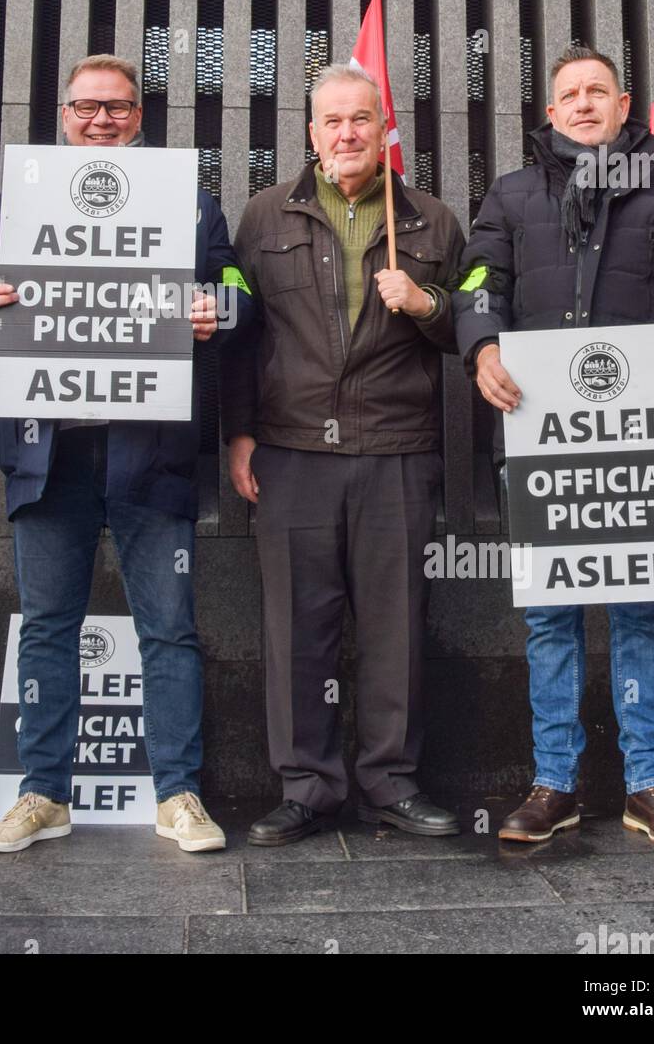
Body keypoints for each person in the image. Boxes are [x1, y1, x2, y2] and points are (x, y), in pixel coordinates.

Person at [0, 54, 250, 855]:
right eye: (87, 107)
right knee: (49, 628)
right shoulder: (15, 205)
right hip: (46, 455)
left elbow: (238, 292)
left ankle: (178, 795)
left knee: (169, 629)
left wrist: (212, 308)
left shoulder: (187, 207)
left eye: (117, 108)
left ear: (138, 118)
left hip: (150, 455)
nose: (101, 121)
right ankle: (42, 795)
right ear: (62, 115)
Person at [454, 43, 654, 845]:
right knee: (549, 619)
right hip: (543, 445)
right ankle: (554, 785)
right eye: (567, 94)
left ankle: (649, 785)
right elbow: (478, 283)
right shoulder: (508, 196)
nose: (581, 104)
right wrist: (481, 347)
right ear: (550, 113)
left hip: (643, 446)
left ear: (622, 106)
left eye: (596, 92)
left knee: (640, 615)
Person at [222, 62, 466, 846]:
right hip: (291, 450)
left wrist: (426, 303)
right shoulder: (263, 217)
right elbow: (237, 334)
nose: (348, 133)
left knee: (396, 627)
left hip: (395, 448)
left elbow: (472, 326)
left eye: (362, 119)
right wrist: (238, 430)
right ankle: (305, 787)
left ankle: (390, 784)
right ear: (311, 133)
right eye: (333, 121)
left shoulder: (429, 221)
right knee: (297, 628)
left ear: (383, 130)